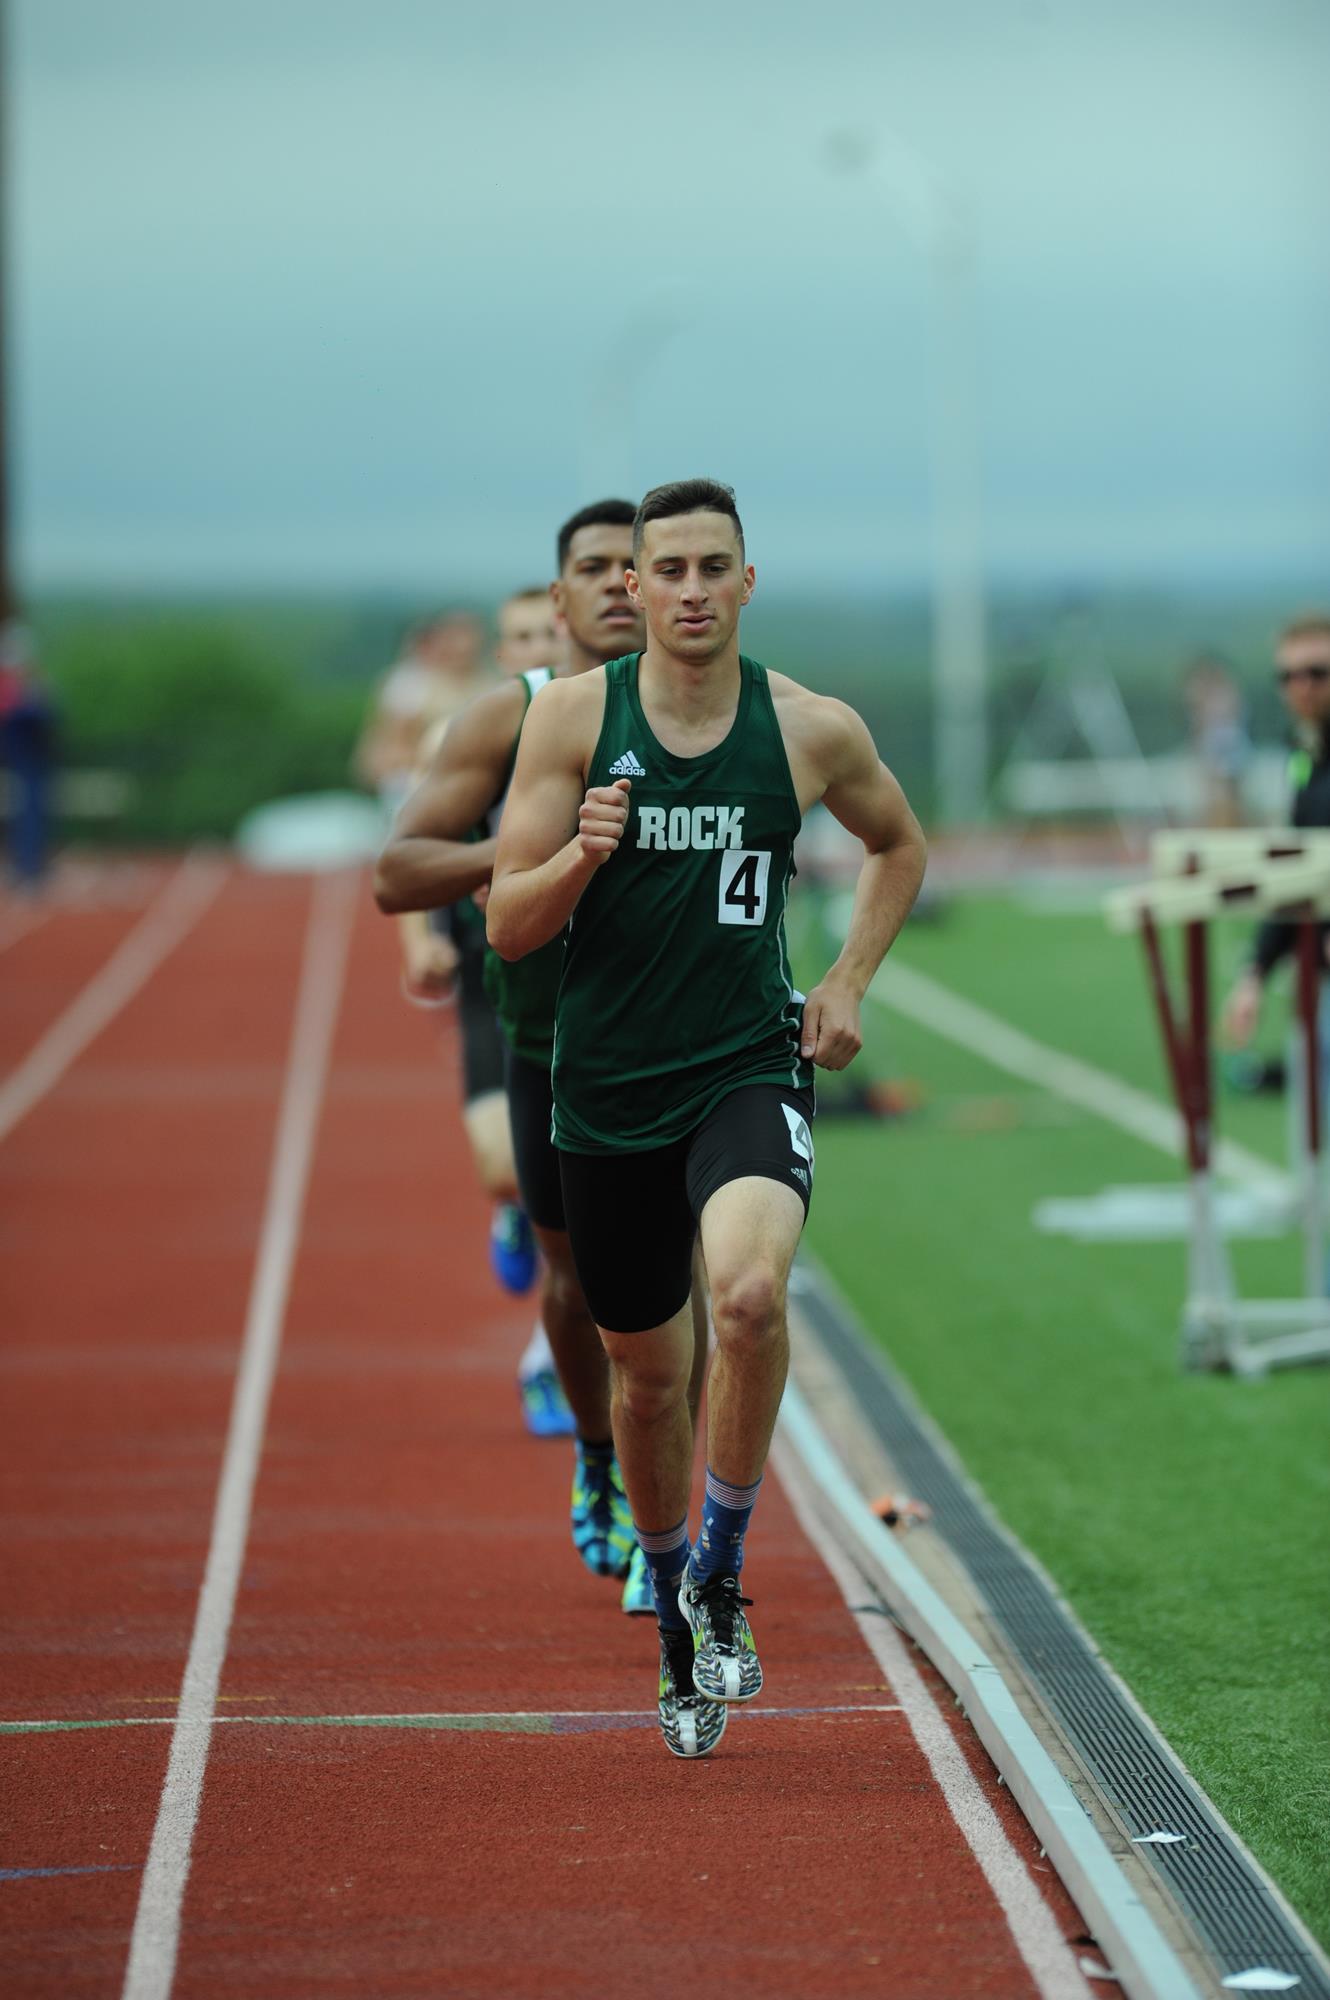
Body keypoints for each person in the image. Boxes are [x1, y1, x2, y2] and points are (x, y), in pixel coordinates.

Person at [487, 478, 927, 1757]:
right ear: (632, 586)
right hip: (607, 1090)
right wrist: (582, 853)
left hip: (744, 1066)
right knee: (645, 1376)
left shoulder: (809, 727)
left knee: (743, 1296)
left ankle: (721, 1572)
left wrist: (843, 980)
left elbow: (899, 844)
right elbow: (506, 924)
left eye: (710, 566)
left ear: (746, 582)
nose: (688, 589)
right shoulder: (574, 718)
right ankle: (675, 1604)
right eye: (665, 568)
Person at [376, 503, 709, 1614]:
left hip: (681, 1047)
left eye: (631, 566)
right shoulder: (506, 716)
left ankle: (672, 1519)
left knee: (691, 1285)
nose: (617, 583)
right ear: (558, 598)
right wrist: (519, 853)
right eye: (592, 568)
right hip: (547, 1043)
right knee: (577, 1286)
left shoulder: (707, 706)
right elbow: (396, 871)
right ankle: (601, 1457)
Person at [1222, 612, 1330, 1049]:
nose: (1302, 686)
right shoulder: (1303, 751)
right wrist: (1255, 973)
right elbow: (1296, 868)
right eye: (1287, 677)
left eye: (1317, 673)